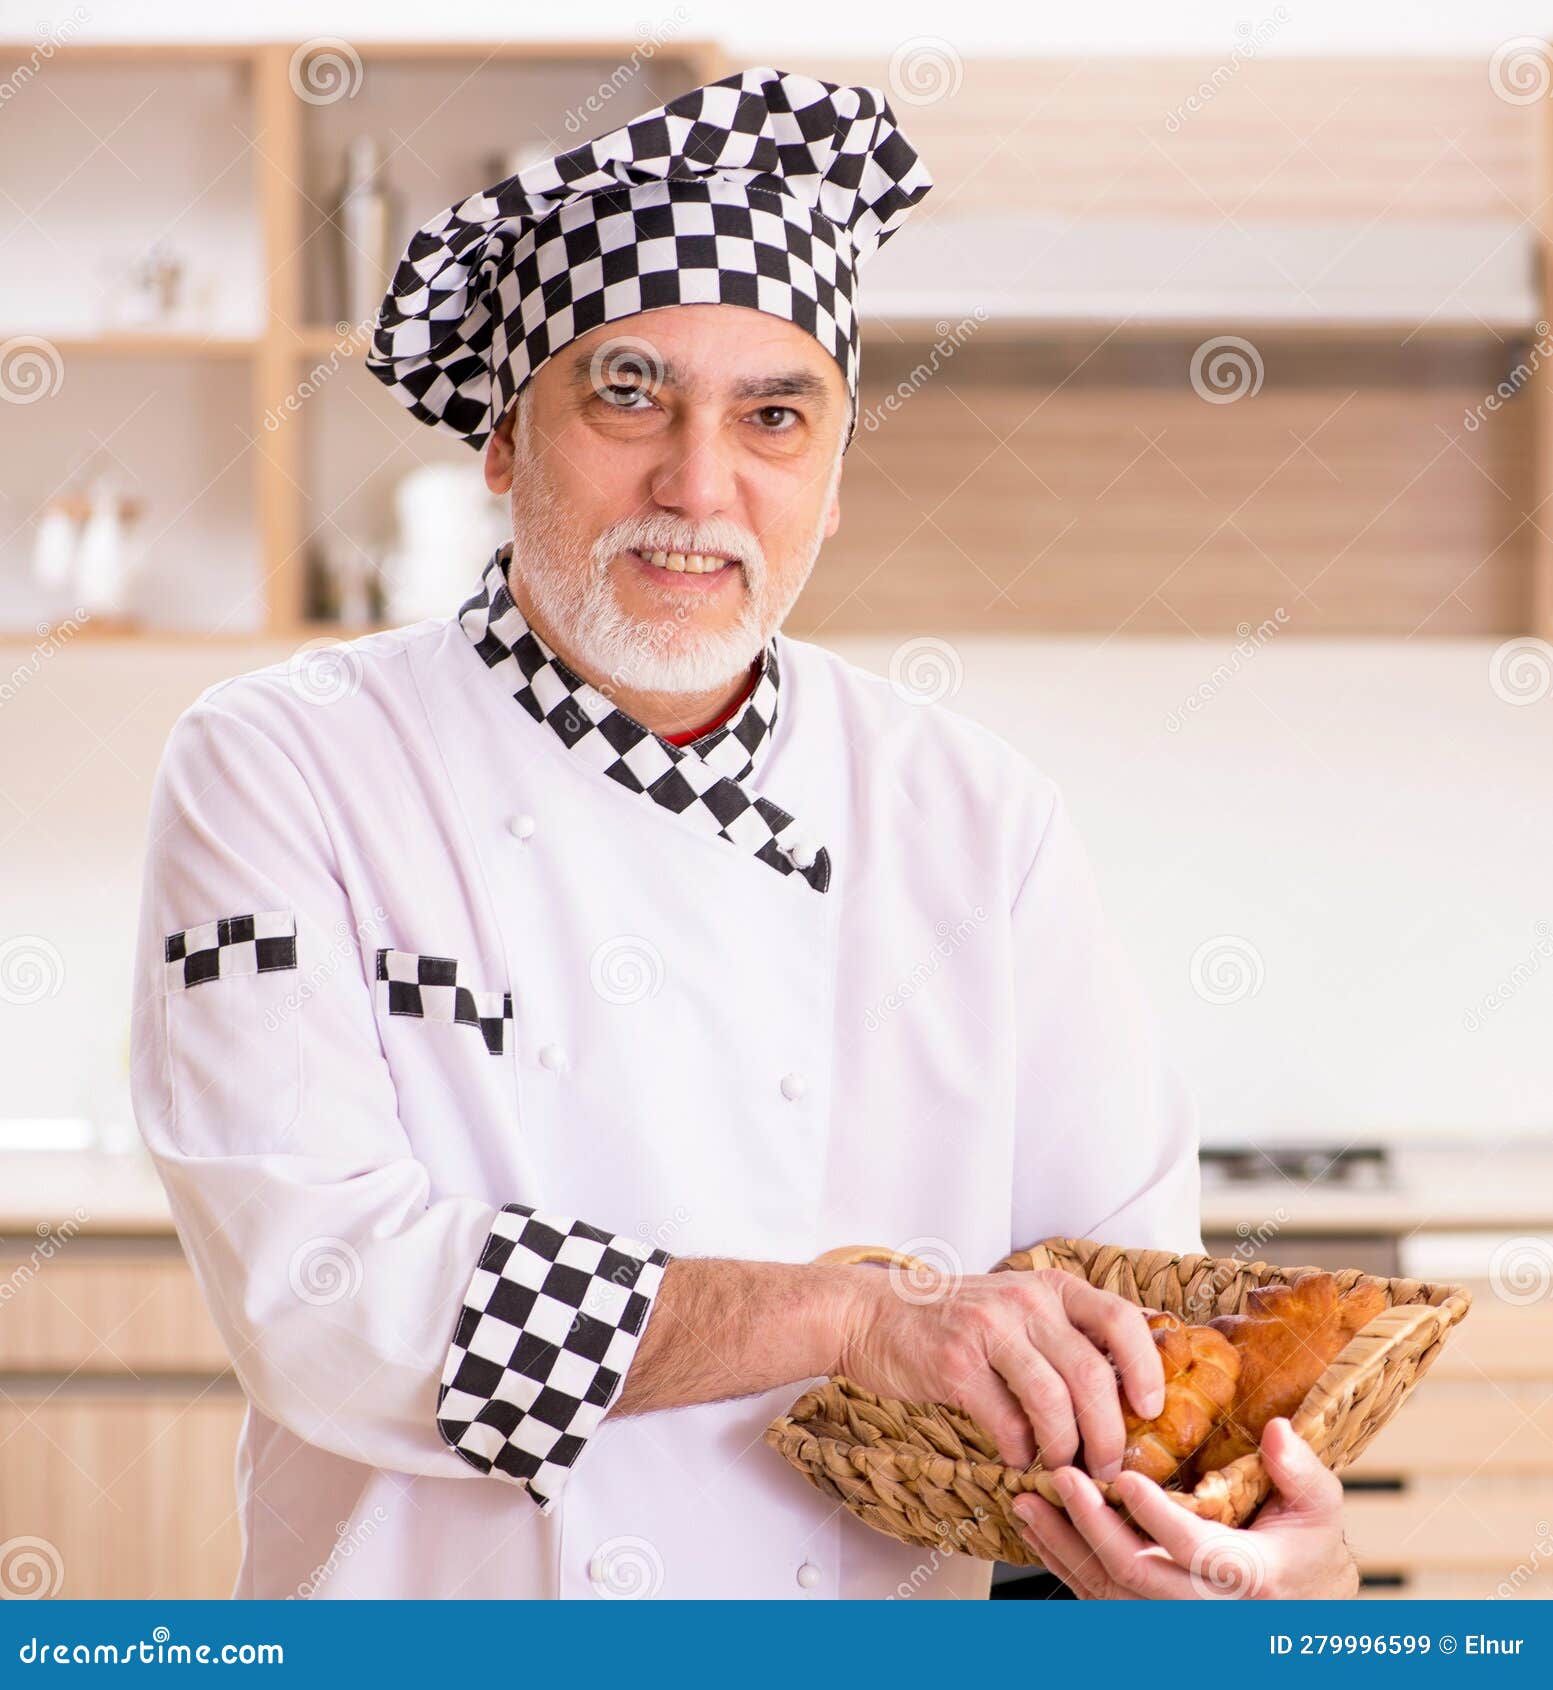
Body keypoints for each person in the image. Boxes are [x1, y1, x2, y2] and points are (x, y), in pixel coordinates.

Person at [129, 66, 1358, 1600]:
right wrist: (852, 1320)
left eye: (773, 416)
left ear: (832, 478)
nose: (696, 485)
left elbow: (1122, 1345)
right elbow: (326, 1299)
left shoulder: (978, 824)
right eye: (628, 393)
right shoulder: (284, 767)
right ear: (504, 441)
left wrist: (1225, 1541)